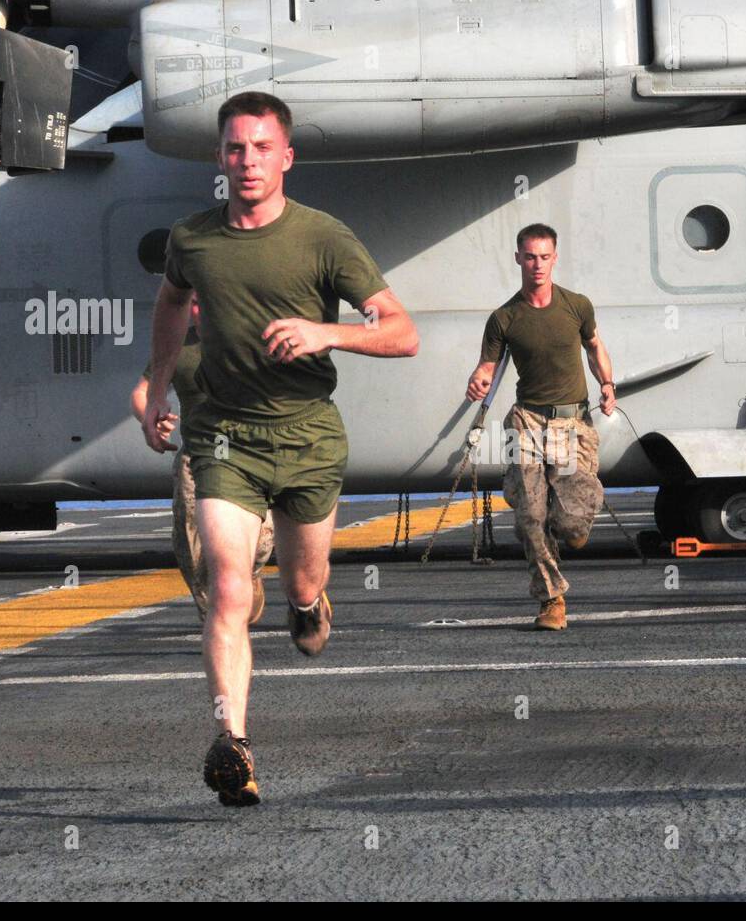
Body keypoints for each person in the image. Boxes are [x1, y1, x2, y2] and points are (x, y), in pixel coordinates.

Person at [142, 92, 418, 806]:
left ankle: (307, 602)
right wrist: (159, 385)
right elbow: (171, 304)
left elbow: (400, 331)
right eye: (235, 148)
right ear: (220, 157)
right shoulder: (193, 239)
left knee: (299, 582)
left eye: (262, 148)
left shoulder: (324, 238)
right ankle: (232, 742)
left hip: (307, 436)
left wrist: (329, 333)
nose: (248, 162)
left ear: (286, 156)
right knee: (229, 587)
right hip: (224, 439)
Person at [465, 223, 615, 631]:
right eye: (530, 256)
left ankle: (573, 524)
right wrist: (478, 379)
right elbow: (488, 366)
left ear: (555, 258)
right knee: (530, 515)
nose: (537, 265)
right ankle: (552, 600)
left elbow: (595, 346)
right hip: (528, 422)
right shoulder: (504, 318)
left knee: (569, 520)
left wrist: (606, 384)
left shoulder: (576, 306)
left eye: (544, 257)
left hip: (571, 424)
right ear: (518, 258)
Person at [130, 297, 276, 623]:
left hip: (249, 454)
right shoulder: (176, 347)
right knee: (192, 548)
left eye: (204, 301)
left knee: (261, 540)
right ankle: (218, 620)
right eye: (192, 303)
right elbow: (142, 392)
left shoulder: (253, 339)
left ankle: (248, 574)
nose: (198, 310)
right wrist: (149, 416)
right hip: (196, 456)